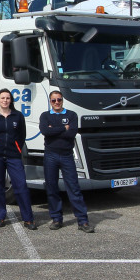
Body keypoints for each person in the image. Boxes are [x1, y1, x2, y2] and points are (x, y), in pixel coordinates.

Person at [39, 90, 95, 233]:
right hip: (50, 155)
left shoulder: (71, 115)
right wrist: (63, 128)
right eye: (54, 100)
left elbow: (71, 133)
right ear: (50, 102)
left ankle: (83, 221)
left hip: (67, 156)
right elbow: (45, 131)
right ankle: (56, 219)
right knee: (52, 188)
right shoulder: (45, 116)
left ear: (62, 100)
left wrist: (54, 130)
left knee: (73, 188)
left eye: (59, 100)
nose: (57, 102)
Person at [0, 89, 37, 229]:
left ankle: (28, 219)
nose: (5, 100)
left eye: (8, 98)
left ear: (11, 100)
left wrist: (17, 148)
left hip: (13, 156)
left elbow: (22, 135)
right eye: (2, 98)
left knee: (21, 186)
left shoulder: (17, 116)